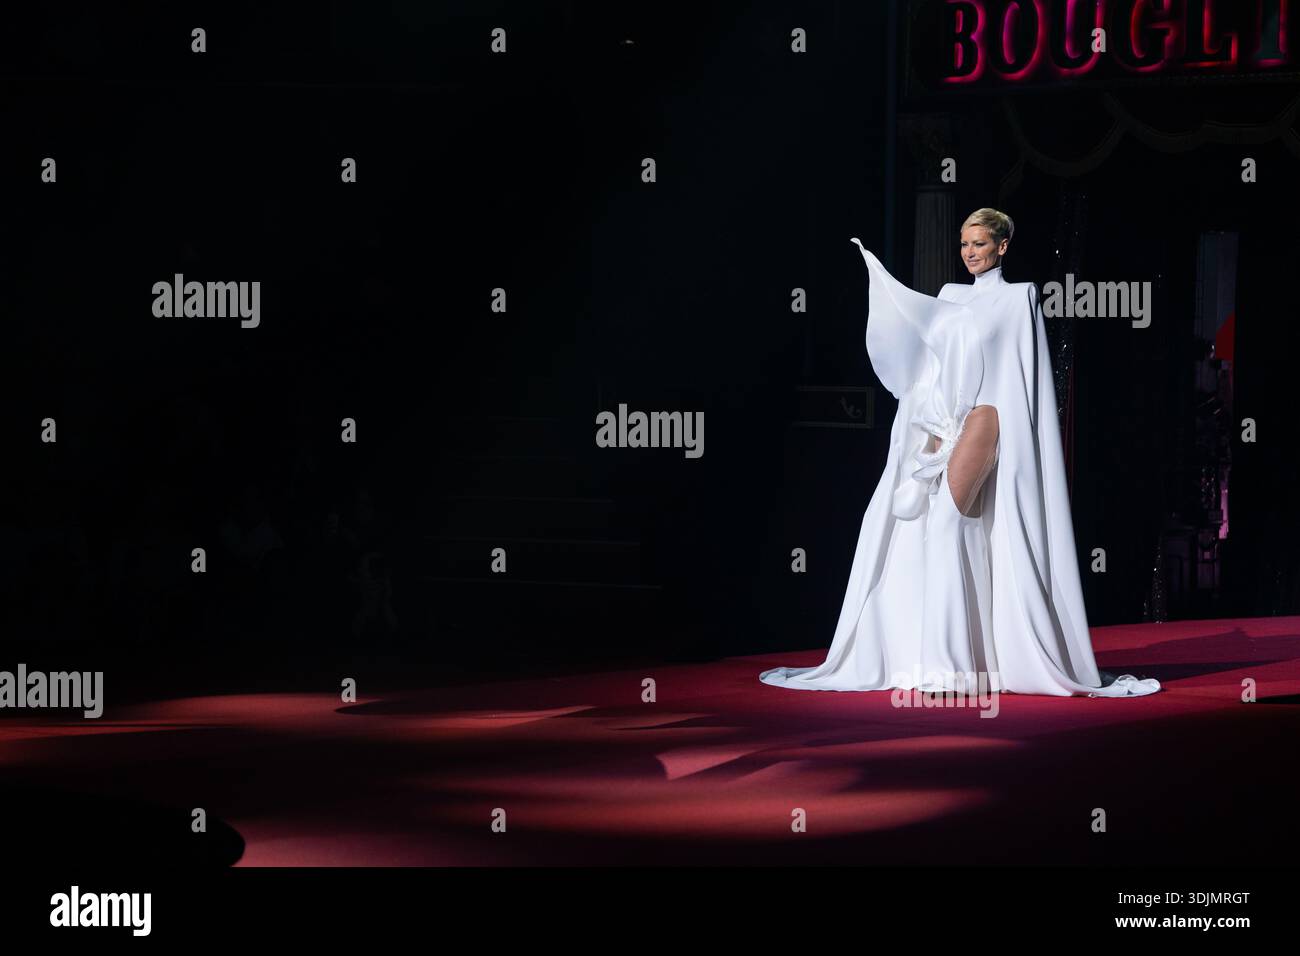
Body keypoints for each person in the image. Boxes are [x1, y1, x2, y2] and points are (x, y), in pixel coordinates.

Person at [760, 208, 1160, 697]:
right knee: (926, 527)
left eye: (980, 244)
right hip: (947, 419)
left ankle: (954, 667)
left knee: (950, 522)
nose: (970, 252)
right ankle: (964, 659)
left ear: (1002, 246)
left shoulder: (1020, 298)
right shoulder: (950, 297)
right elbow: (933, 370)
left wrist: (1023, 460)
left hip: (989, 418)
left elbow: (1025, 379)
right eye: (964, 244)